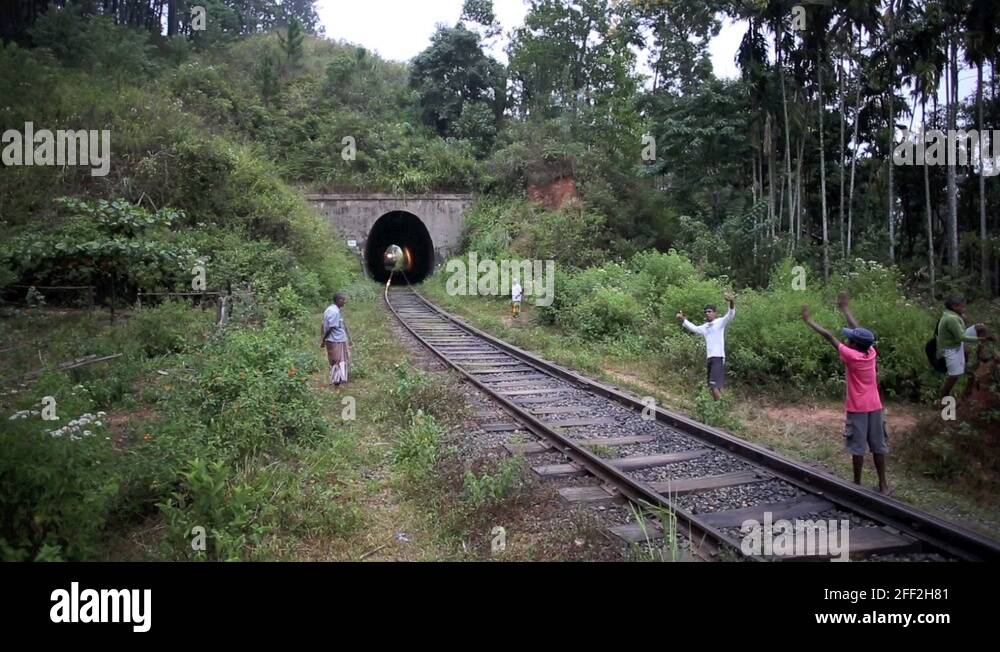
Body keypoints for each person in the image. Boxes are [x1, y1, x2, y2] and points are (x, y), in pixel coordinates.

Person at [801, 293, 890, 494]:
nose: (847, 340)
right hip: (875, 406)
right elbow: (860, 331)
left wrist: (809, 321)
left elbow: (829, 336)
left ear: (855, 345)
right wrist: (845, 309)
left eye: (850, 339)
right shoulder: (870, 352)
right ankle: (883, 484)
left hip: (858, 407)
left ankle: (857, 485)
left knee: (858, 447)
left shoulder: (851, 355)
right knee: (878, 445)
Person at [676, 291, 736, 401]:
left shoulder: (720, 323)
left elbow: (730, 314)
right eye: (706, 312)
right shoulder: (705, 327)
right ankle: (720, 408)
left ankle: (720, 409)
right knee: (713, 387)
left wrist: (731, 301)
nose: (707, 313)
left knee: (713, 386)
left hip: (718, 358)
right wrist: (683, 319)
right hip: (710, 358)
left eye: (709, 311)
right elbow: (694, 328)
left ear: (715, 313)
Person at [936, 297, 992, 399]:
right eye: (962, 306)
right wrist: (980, 339)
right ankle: (944, 396)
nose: (964, 308)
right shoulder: (951, 319)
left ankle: (980, 354)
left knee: (981, 327)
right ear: (954, 307)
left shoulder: (953, 315)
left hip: (956, 342)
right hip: (951, 348)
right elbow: (960, 337)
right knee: (955, 375)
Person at [320, 292, 351, 387]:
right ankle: (337, 381)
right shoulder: (335, 312)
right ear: (338, 300)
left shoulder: (330, 309)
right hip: (335, 340)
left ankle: (339, 379)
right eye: (343, 300)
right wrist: (323, 340)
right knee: (337, 360)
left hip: (335, 339)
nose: (345, 302)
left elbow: (323, 325)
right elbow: (331, 328)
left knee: (336, 360)